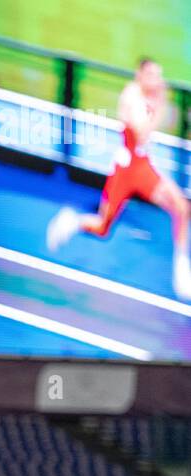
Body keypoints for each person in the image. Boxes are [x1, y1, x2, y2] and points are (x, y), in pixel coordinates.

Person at [47, 58, 191, 301]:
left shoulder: (148, 96)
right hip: (126, 171)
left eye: (159, 76)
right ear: (140, 75)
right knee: (103, 228)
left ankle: (181, 269)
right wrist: (162, 103)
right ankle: (72, 221)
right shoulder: (132, 97)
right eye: (153, 76)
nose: (158, 82)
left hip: (143, 167)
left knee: (181, 207)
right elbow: (143, 133)